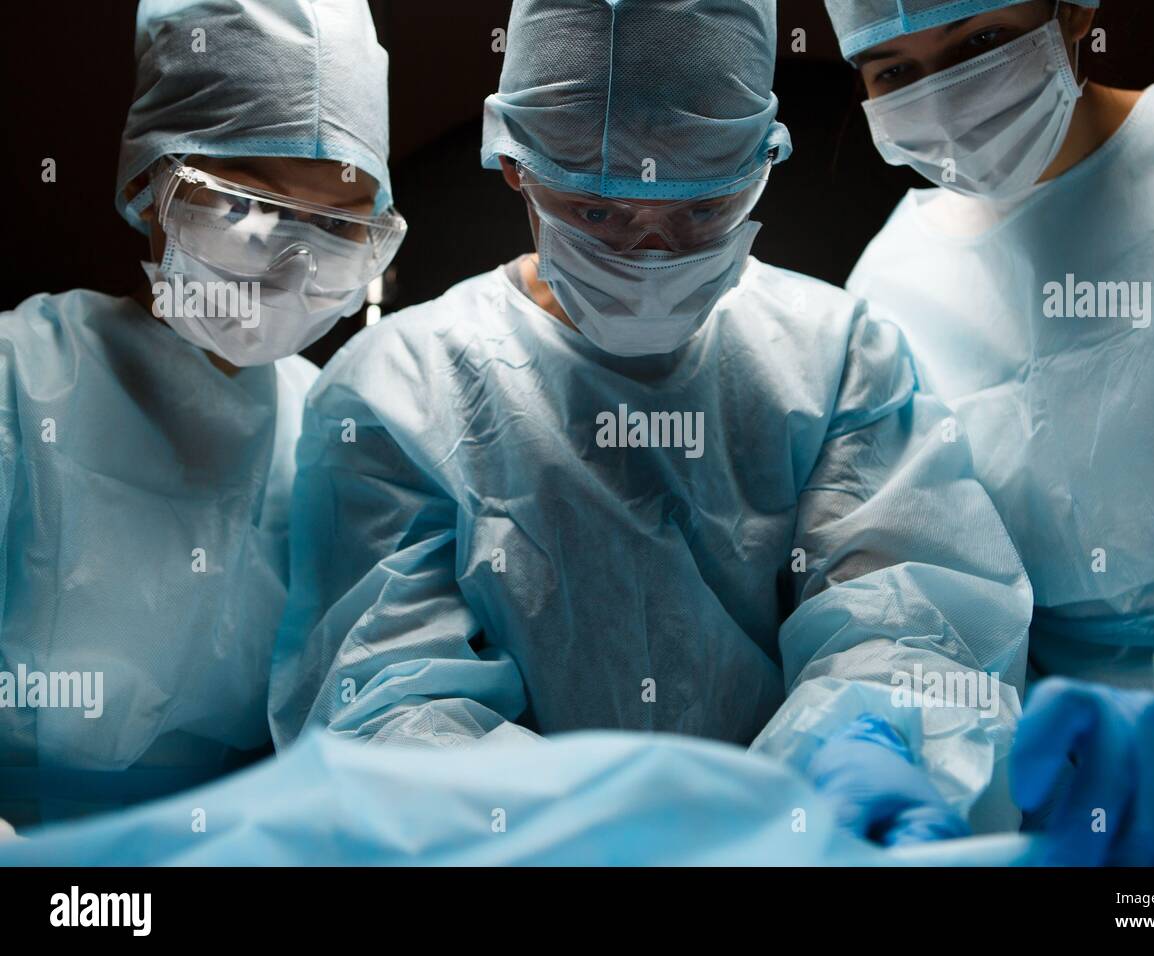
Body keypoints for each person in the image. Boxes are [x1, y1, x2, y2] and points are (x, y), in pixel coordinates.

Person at [270, 0, 1034, 847]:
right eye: (599, 215)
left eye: (702, 210)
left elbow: (908, 624)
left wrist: (865, 743)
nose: (653, 256)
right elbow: (387, 706)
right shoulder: (395, 393)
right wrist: (591, 835)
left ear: (763, 159)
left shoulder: (839, 354)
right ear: (516, 165)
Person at [824, 0, 1154, 863]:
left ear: (1075, 12)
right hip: (1063, 778)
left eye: (980, 43)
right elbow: (918, 588)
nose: (947, 98)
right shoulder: (887, 288)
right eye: (893, 71)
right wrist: (905, 730)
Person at [0, 0, 403, 829]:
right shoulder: (20, 379)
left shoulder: (331, 432)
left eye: (336, 227)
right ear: (150, 184)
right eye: (244, 209)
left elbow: (352, 707)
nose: (291, 268)